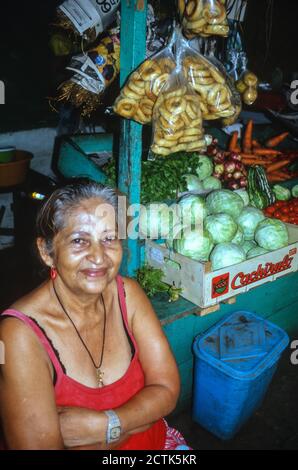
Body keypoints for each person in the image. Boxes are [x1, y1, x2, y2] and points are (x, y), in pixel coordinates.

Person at [0, 180, 189, 450]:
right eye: (79, 241)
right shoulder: (18, 336)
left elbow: (167, 390)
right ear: (47, 252)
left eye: (109, 238)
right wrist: (139, 417)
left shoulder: (128, 295)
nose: (99, 257)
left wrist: (108, 426)